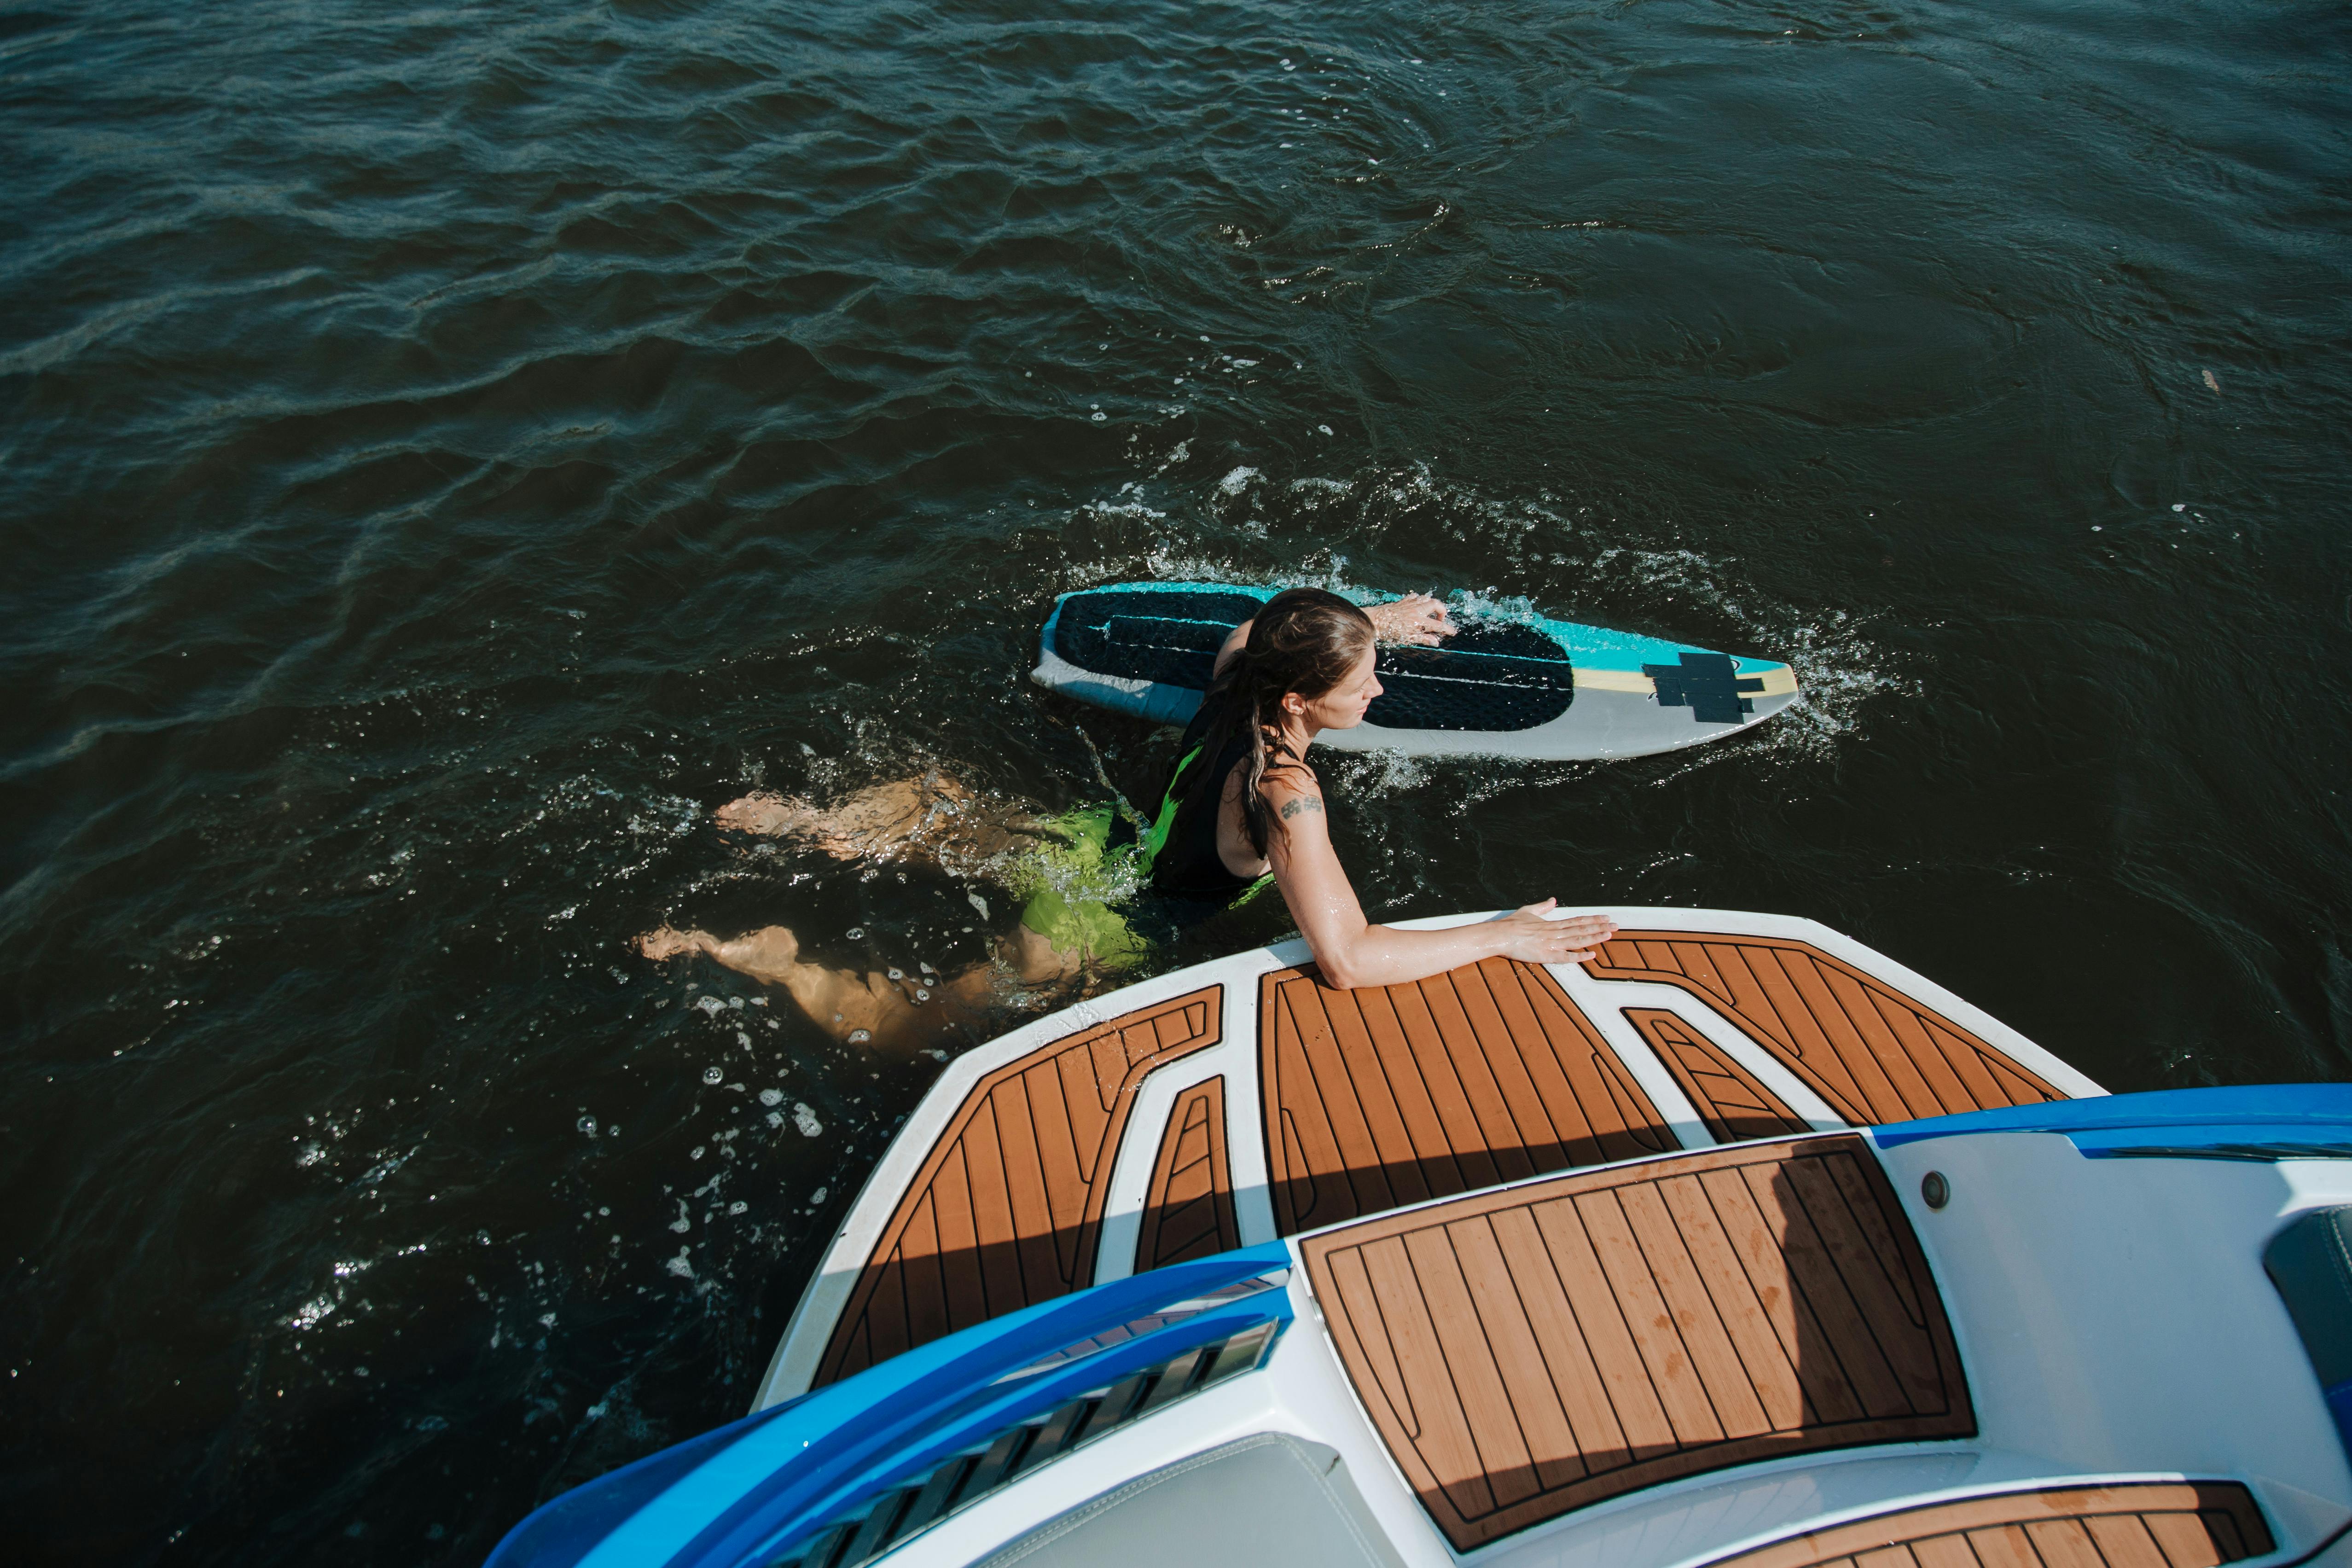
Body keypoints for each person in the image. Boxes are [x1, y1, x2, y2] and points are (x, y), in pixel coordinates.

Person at [636, 587, 1616, 1047]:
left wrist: (1369, 622)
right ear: (1300, 699)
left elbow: (1249, 629)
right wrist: (1504, 934)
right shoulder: (1287, 797)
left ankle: (807, 818)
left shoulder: (1236, 685)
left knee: (934, 807)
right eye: (1361, 679)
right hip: (1098, 919)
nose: (1377, 691)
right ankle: (777, 962)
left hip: (1093, 839)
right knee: (905, 1023)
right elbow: (1350, 958)